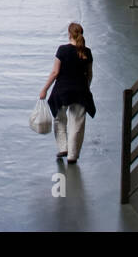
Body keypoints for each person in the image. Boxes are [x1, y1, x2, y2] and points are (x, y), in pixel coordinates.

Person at [37, 22, 96, 163]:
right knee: (77, 125)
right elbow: (89, 74)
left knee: (59, 119)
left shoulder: (62, 50)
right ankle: (72, 155)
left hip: (62, 91)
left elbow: (55, 72)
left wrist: (44, 89)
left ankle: (63, 147)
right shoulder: (87, 52)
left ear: (69, 34)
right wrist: (86, 87)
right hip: (81, 92)